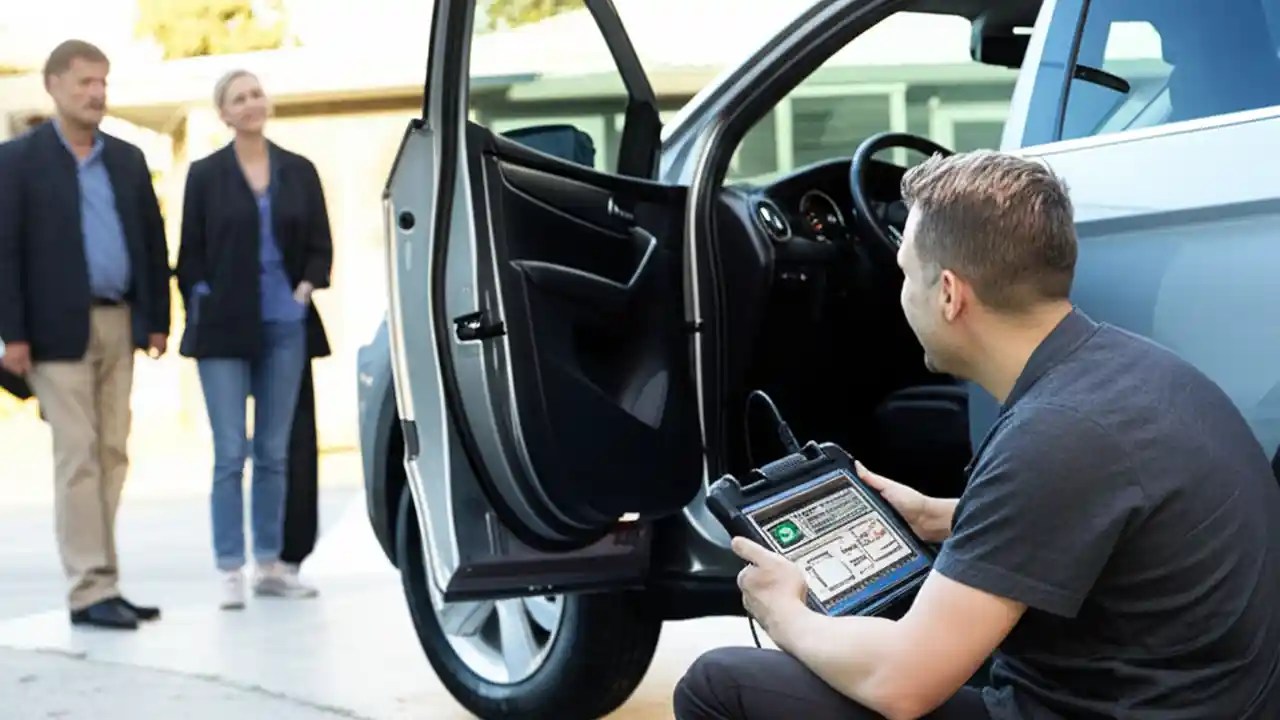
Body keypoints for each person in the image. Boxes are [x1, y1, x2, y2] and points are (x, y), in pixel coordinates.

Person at [674, 150, 1280, 719]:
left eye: (905, 274)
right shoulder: (1132, 372)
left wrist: (783, 612)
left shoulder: (1055, 437)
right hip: (1207, 696)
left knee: (717, 683)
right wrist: (941, 516)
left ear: (948, 294)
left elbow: (901, 684)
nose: (901, 293)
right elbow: (1093, 516)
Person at [0, 40, 171, 631]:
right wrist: (12, 334)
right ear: (53, 86)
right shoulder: (16, 161)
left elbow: (151, 240)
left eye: (102, 82)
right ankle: (89, 588)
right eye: (84, 82)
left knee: (112, 454)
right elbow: (5, 252)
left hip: (119, 323)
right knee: (78, 455)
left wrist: (157, 318)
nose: (96, 93)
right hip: (52, 334)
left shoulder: (126, 159)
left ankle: (106, 582)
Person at [175, 69, 333, 609]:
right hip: (223, 328)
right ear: (223, 113)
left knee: (273, 451)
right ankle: (229, 568)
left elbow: (320, 245)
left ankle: (269, 564)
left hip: (286, 326)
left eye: (256, 93)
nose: (251, 103)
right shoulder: (205, 175)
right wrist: (202, 299)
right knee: (229, 453)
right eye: (238, 98)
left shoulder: (299, 169)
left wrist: (303, 290)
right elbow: (190, 254)